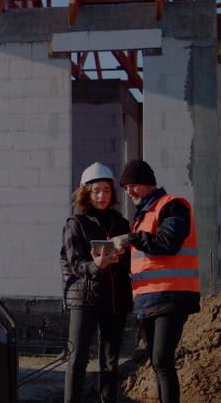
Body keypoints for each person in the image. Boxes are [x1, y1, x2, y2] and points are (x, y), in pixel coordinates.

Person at [114, 159, 200, 403]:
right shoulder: (143, 216)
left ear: (148, 183)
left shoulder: (172, 206)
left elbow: (168, 243)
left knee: (162, 360)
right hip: (150, 299)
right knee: (157, 361)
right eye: (126, 187)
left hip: (172, 295)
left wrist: (134, 239)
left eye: (133, 185)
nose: (129, 191)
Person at [60, 162, 132, 403]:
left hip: (115, 300)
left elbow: (129, 264)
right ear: (85, 193)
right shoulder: (76, 224)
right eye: (96, 191)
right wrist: (98, 265)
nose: (102, 196)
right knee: (78, 359)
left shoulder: (121, 223)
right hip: (84, 300)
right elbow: (76, 265)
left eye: (107, 190)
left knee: (110, 363)